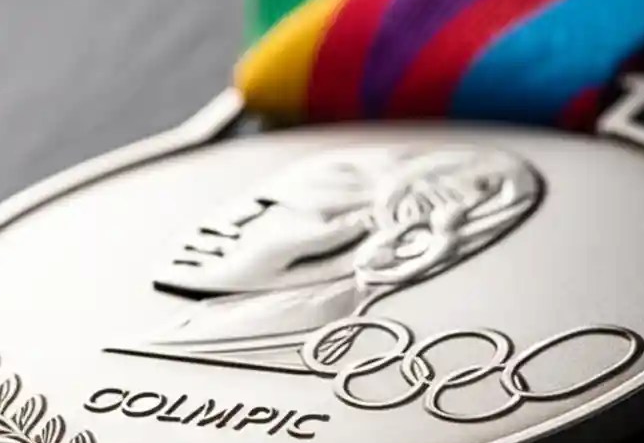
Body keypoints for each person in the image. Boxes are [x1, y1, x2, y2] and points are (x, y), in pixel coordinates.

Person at [108, 144, 542, 373]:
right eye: (252, 200)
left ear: (406, 248)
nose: (226, 219)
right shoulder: (196, 331)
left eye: (273, 210)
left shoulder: (281, 354)